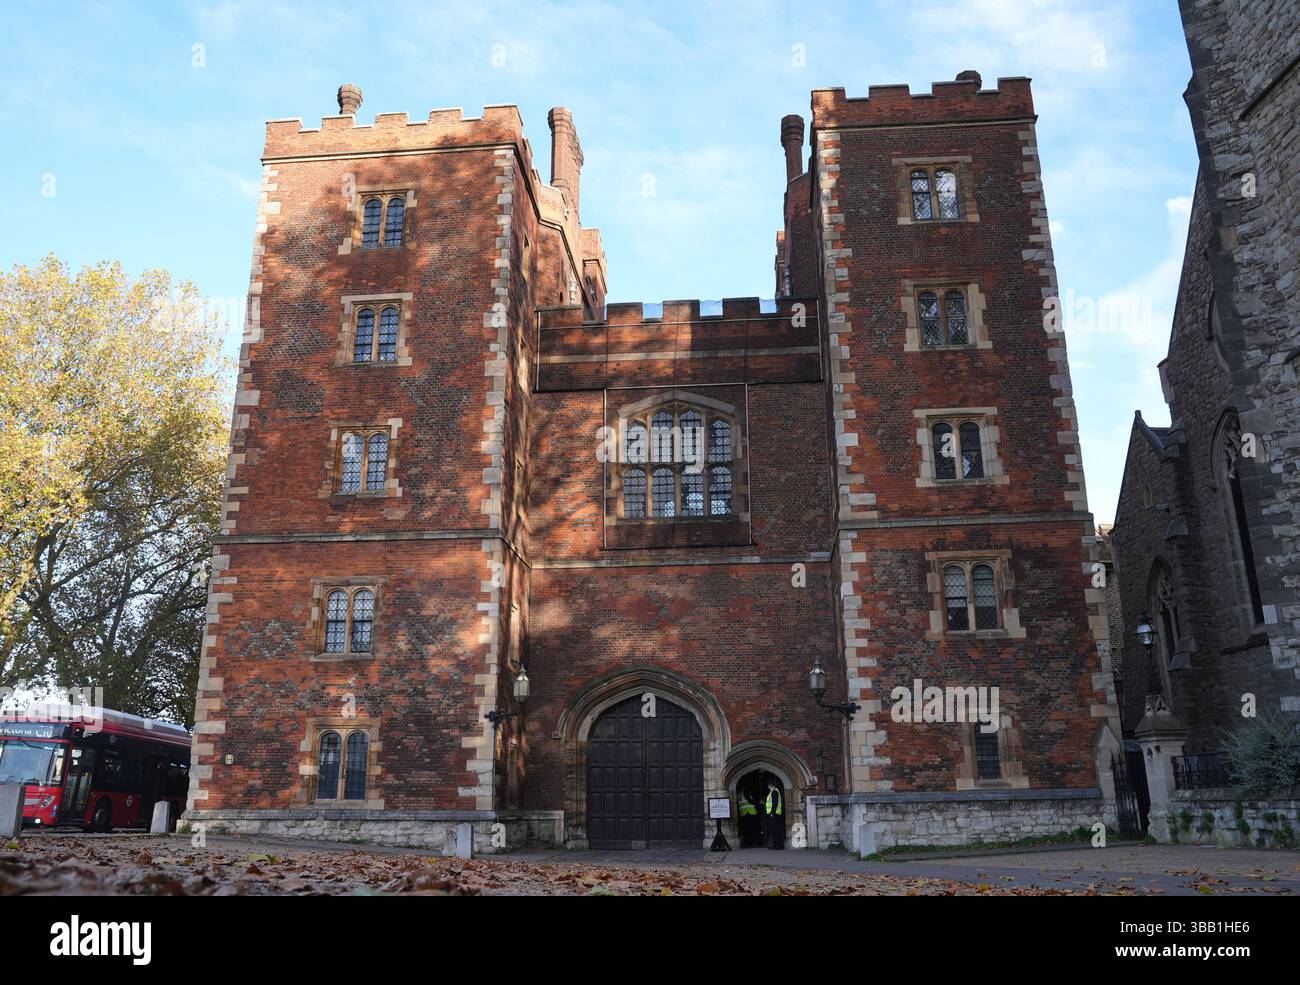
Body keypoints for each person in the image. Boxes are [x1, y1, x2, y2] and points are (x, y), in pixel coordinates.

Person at [765, 781, 784, 849]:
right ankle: (778, 845)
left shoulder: (774, 791)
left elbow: (774, 803)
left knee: (775, 830)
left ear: (770, 785)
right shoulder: (774, 791)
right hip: (776, 813)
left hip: (774, 814)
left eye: (768, 785)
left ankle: (777, 846)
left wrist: (772, 812)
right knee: (776, 830)